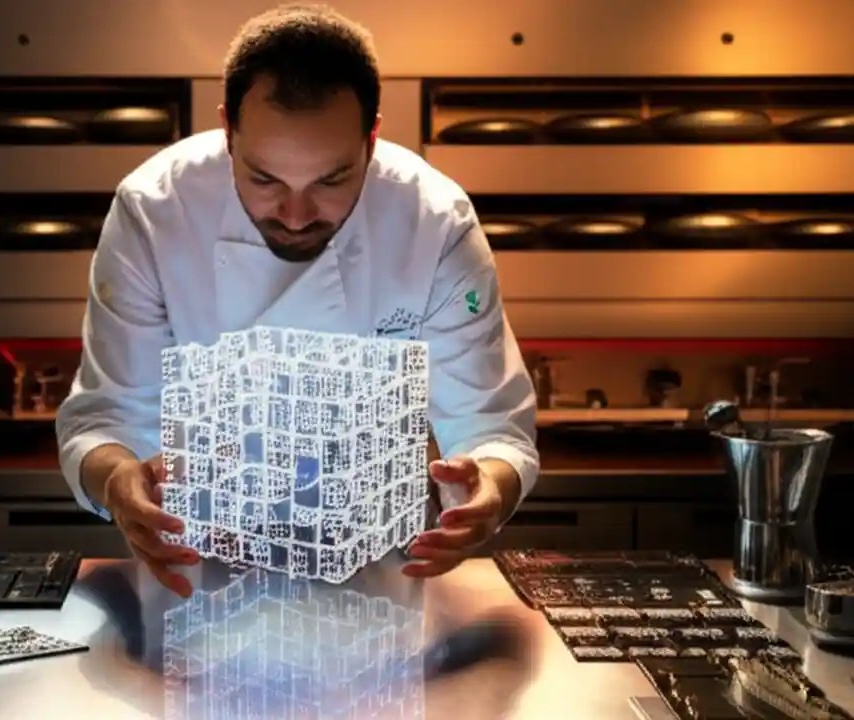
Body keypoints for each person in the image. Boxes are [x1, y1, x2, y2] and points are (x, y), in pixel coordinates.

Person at [55, 4, 538, 598]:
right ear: (227, 130)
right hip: (191, 572)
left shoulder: (432, 221)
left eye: (332, 181)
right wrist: (117, 481)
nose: (296, 214)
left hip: (382, 576)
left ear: (373, 137)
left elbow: (493, 430)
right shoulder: (156, 210)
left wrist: (485, 492)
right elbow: (106, 417)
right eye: (265, 180)